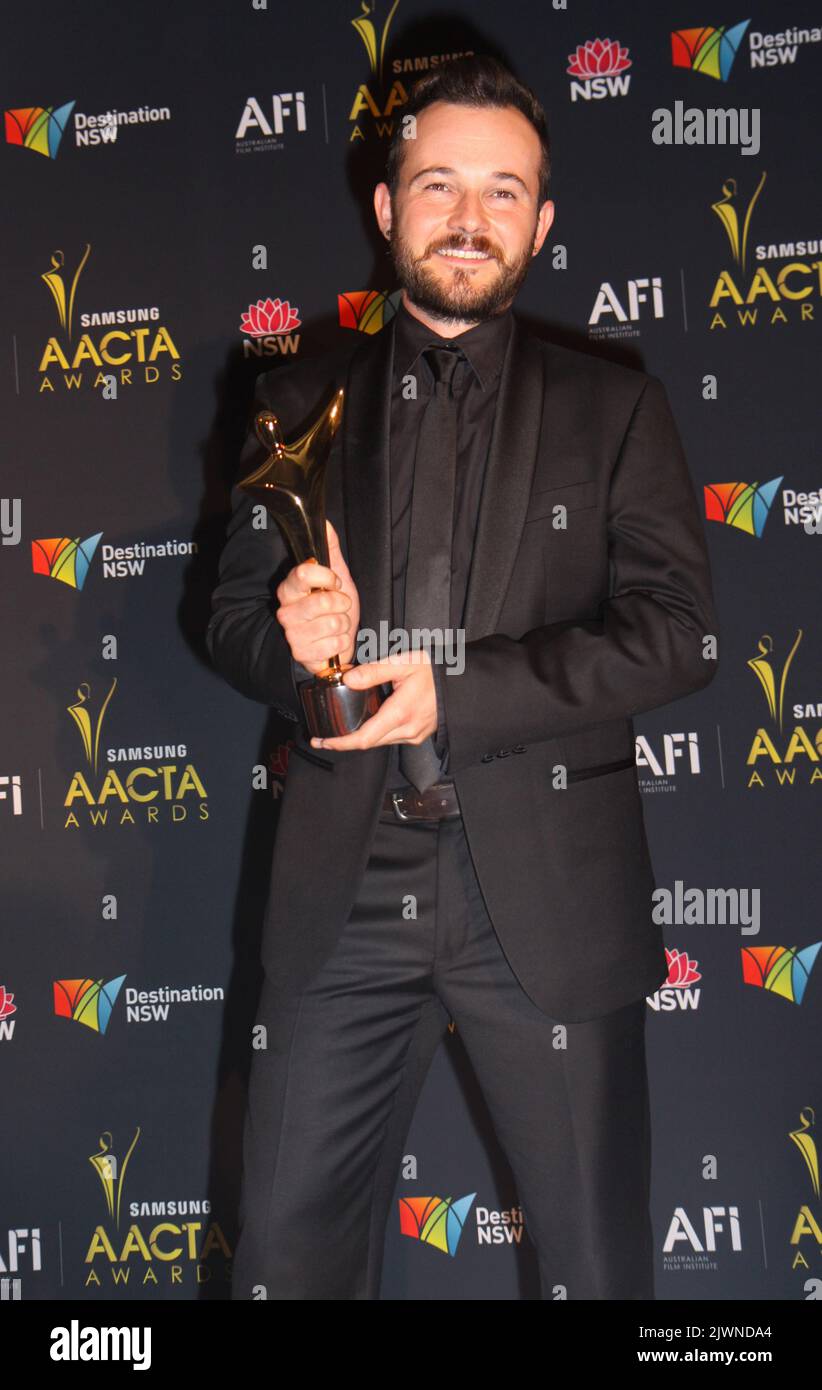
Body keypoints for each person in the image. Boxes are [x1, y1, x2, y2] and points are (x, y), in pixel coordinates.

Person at [206, 54, 718, 1301]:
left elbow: (680, 634)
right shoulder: (293, 397)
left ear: (542, 222)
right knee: (283, 1264)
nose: (469, 217)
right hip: (343, 891)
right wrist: (290, 634)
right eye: (438, 184)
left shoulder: (618, 409)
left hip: (540, 896)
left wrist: (466, 694)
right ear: (387, 208)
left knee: (597, 1271)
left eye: (503, 191)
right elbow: (226, 619)